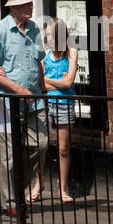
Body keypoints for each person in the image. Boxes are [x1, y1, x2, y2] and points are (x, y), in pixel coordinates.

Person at [0, 0, 48, 217]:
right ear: (15, 7)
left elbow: (39, 62)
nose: (32, 5)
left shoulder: (34, 29)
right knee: (8, 156)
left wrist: (42, 92)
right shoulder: (0, 31)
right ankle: (11, 202)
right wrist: (18, 88)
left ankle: (19, 188)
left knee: (41, 144)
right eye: (28, 3)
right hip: (6, 102)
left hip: (34, 101)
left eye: (31, 2)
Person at [38, 17, 79, 203]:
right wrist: (59, 83)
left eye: (50, 35)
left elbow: (69, 82)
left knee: (63, 148)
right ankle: (38, 184)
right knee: (41, 146)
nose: (48, 39)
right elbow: (40, 84)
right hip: (45, 104)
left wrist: (49, 83)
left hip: (65, 104)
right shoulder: (44, 55)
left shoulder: (72, 52)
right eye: (46, 35)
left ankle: (63, 189)